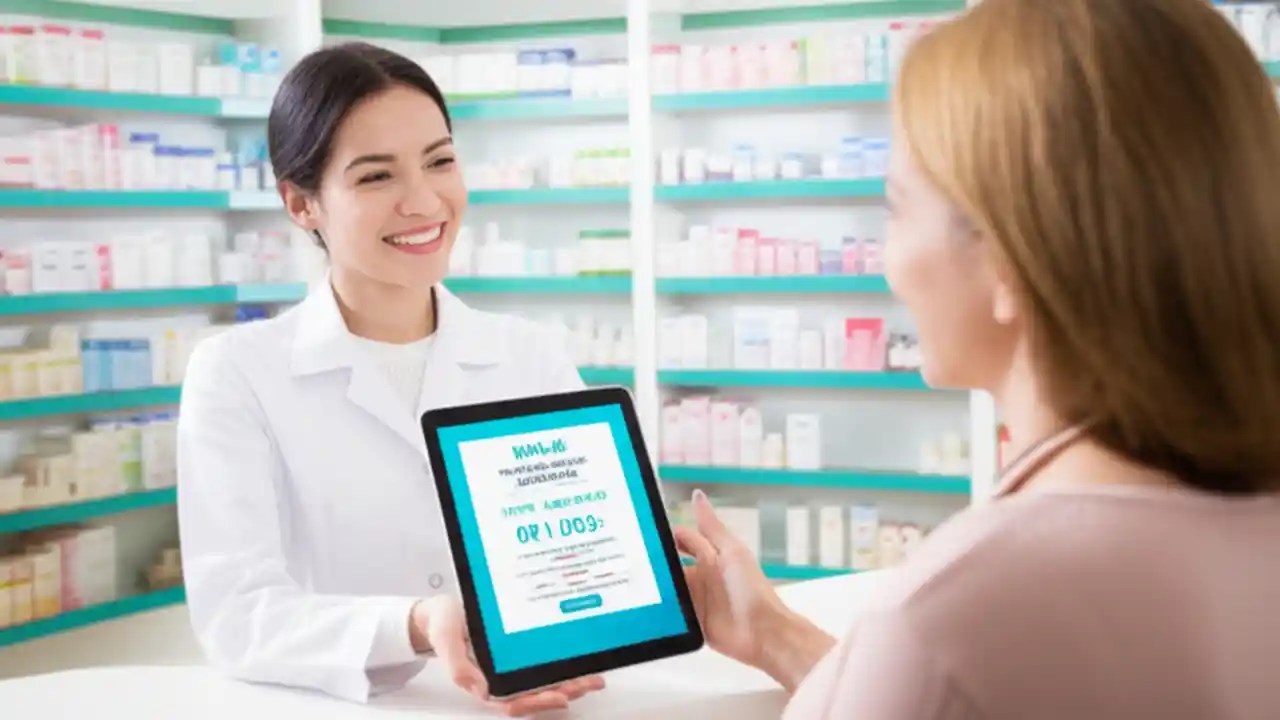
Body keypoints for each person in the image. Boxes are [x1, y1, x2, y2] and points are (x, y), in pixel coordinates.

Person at [674, 0, 1280, 717]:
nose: (889, 266)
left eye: (896, 209)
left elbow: (950, 674)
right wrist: (775, 636)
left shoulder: (958, 612)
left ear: (1009, 267)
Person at [175, 43, 603, 715]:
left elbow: (585, 557)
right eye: (376, 177)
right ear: (301, 204)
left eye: (440, 161)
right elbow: (237, 614)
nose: (425, 201)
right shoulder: (236, 373)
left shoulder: (533, 356)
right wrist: (414, 623)